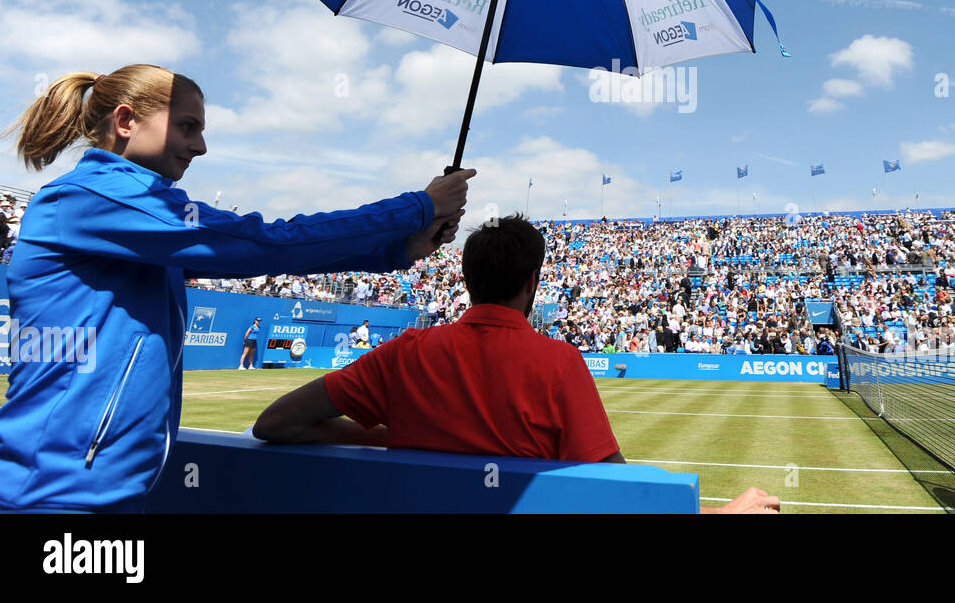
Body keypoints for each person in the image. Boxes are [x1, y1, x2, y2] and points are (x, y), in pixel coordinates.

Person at [0, 65, 474, 513]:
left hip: (89, 493)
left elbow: (273, 251)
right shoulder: (88, 198)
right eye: (187, 126)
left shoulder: (129, 216)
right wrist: (416, 206)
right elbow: (263, 243)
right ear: (125, 121)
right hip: (48, 495)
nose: (201, 146)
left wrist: (399, 249)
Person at [254, 214, 779, 514]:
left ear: (467, 281)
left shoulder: (404, 354)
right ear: (532, 283)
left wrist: (385, 437)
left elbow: (275, 423)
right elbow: (617, 496)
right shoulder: (559, 362)